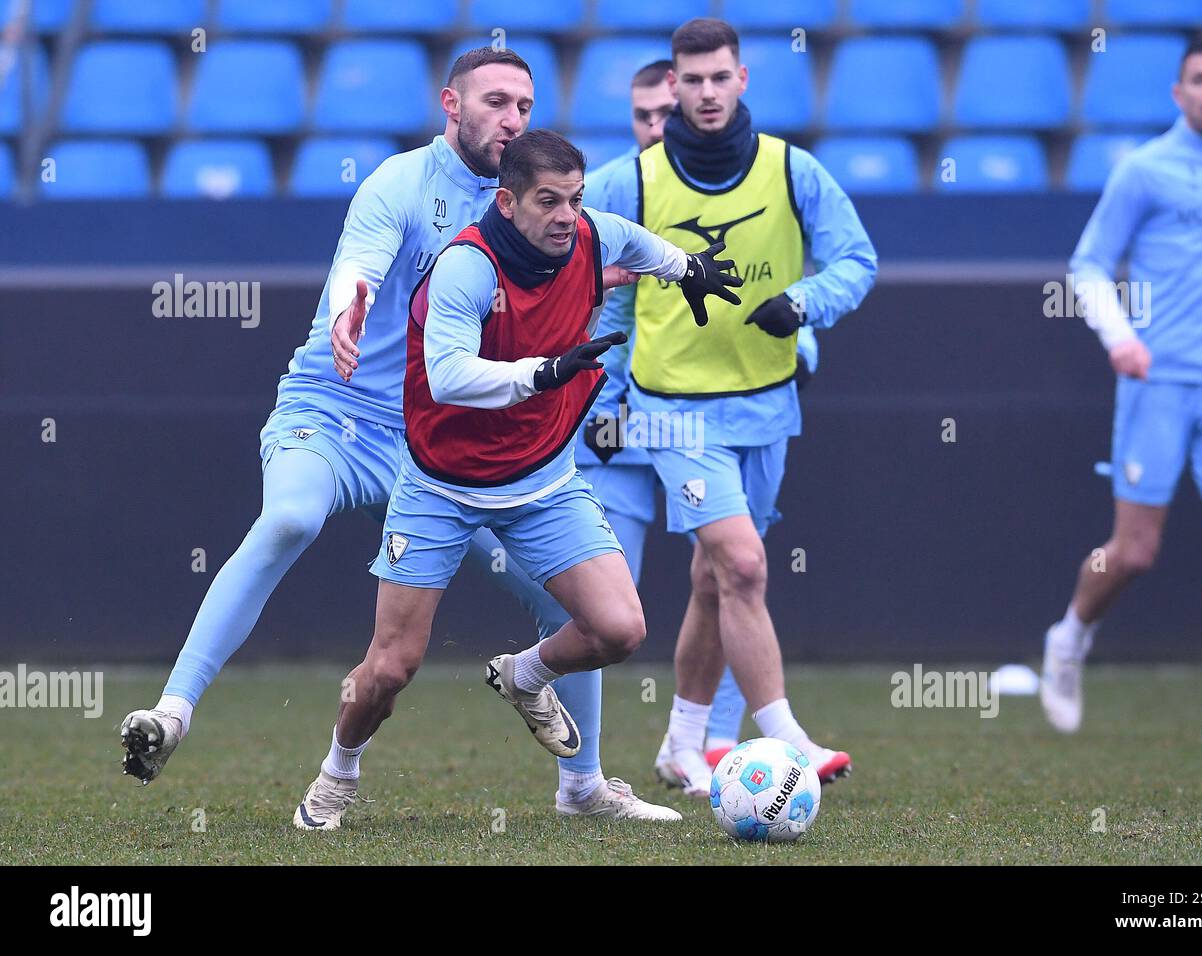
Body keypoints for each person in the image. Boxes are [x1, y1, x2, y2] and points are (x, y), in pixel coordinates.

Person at [118, 49, 673, 819]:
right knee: (290, 517)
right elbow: (361, 264)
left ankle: (582, 787)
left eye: (524, 103)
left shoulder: (537, 205)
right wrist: (353, 302)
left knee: (572, 606)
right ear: (452, 104)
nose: (512, 118)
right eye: (495, 101)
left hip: (447, 447)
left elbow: (602, 254)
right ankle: (172, 713)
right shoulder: (400, 183)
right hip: (340, 411)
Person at [291, 129, 743, 829]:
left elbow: (638, 244)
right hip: (440, 482)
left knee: (620, 629)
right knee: (390, 669)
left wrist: (687, 269)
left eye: (575, 198)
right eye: (548, 201)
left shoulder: (590, 232)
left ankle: (525, 677)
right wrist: (544, 372)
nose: (567, 215)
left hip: (542, 479)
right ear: (507, 202)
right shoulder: (466, 266)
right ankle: (337, 772)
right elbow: (447, 376)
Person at [585, 18, 878, 796]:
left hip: (766, 407)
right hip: (672, 410)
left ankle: (682, 744)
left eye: (721, 78)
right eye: (693, 80)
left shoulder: (794, 170)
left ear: (742, 80)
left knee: (717, 580)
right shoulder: (630, 182)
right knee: (745, 564)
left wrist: (806, 303)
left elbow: (857, 259)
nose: (707, 93)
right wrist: (599, 398)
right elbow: (601, 304)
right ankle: (786, 736)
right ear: (671, 87)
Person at [1040, 34, 1202, 744]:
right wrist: (1119, 335)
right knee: (1133, 552)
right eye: (1200, 79)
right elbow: (1088, 265)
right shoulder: (1144, 171)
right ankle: (1070, 634)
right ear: (1178, 94)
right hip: (1159, 382)